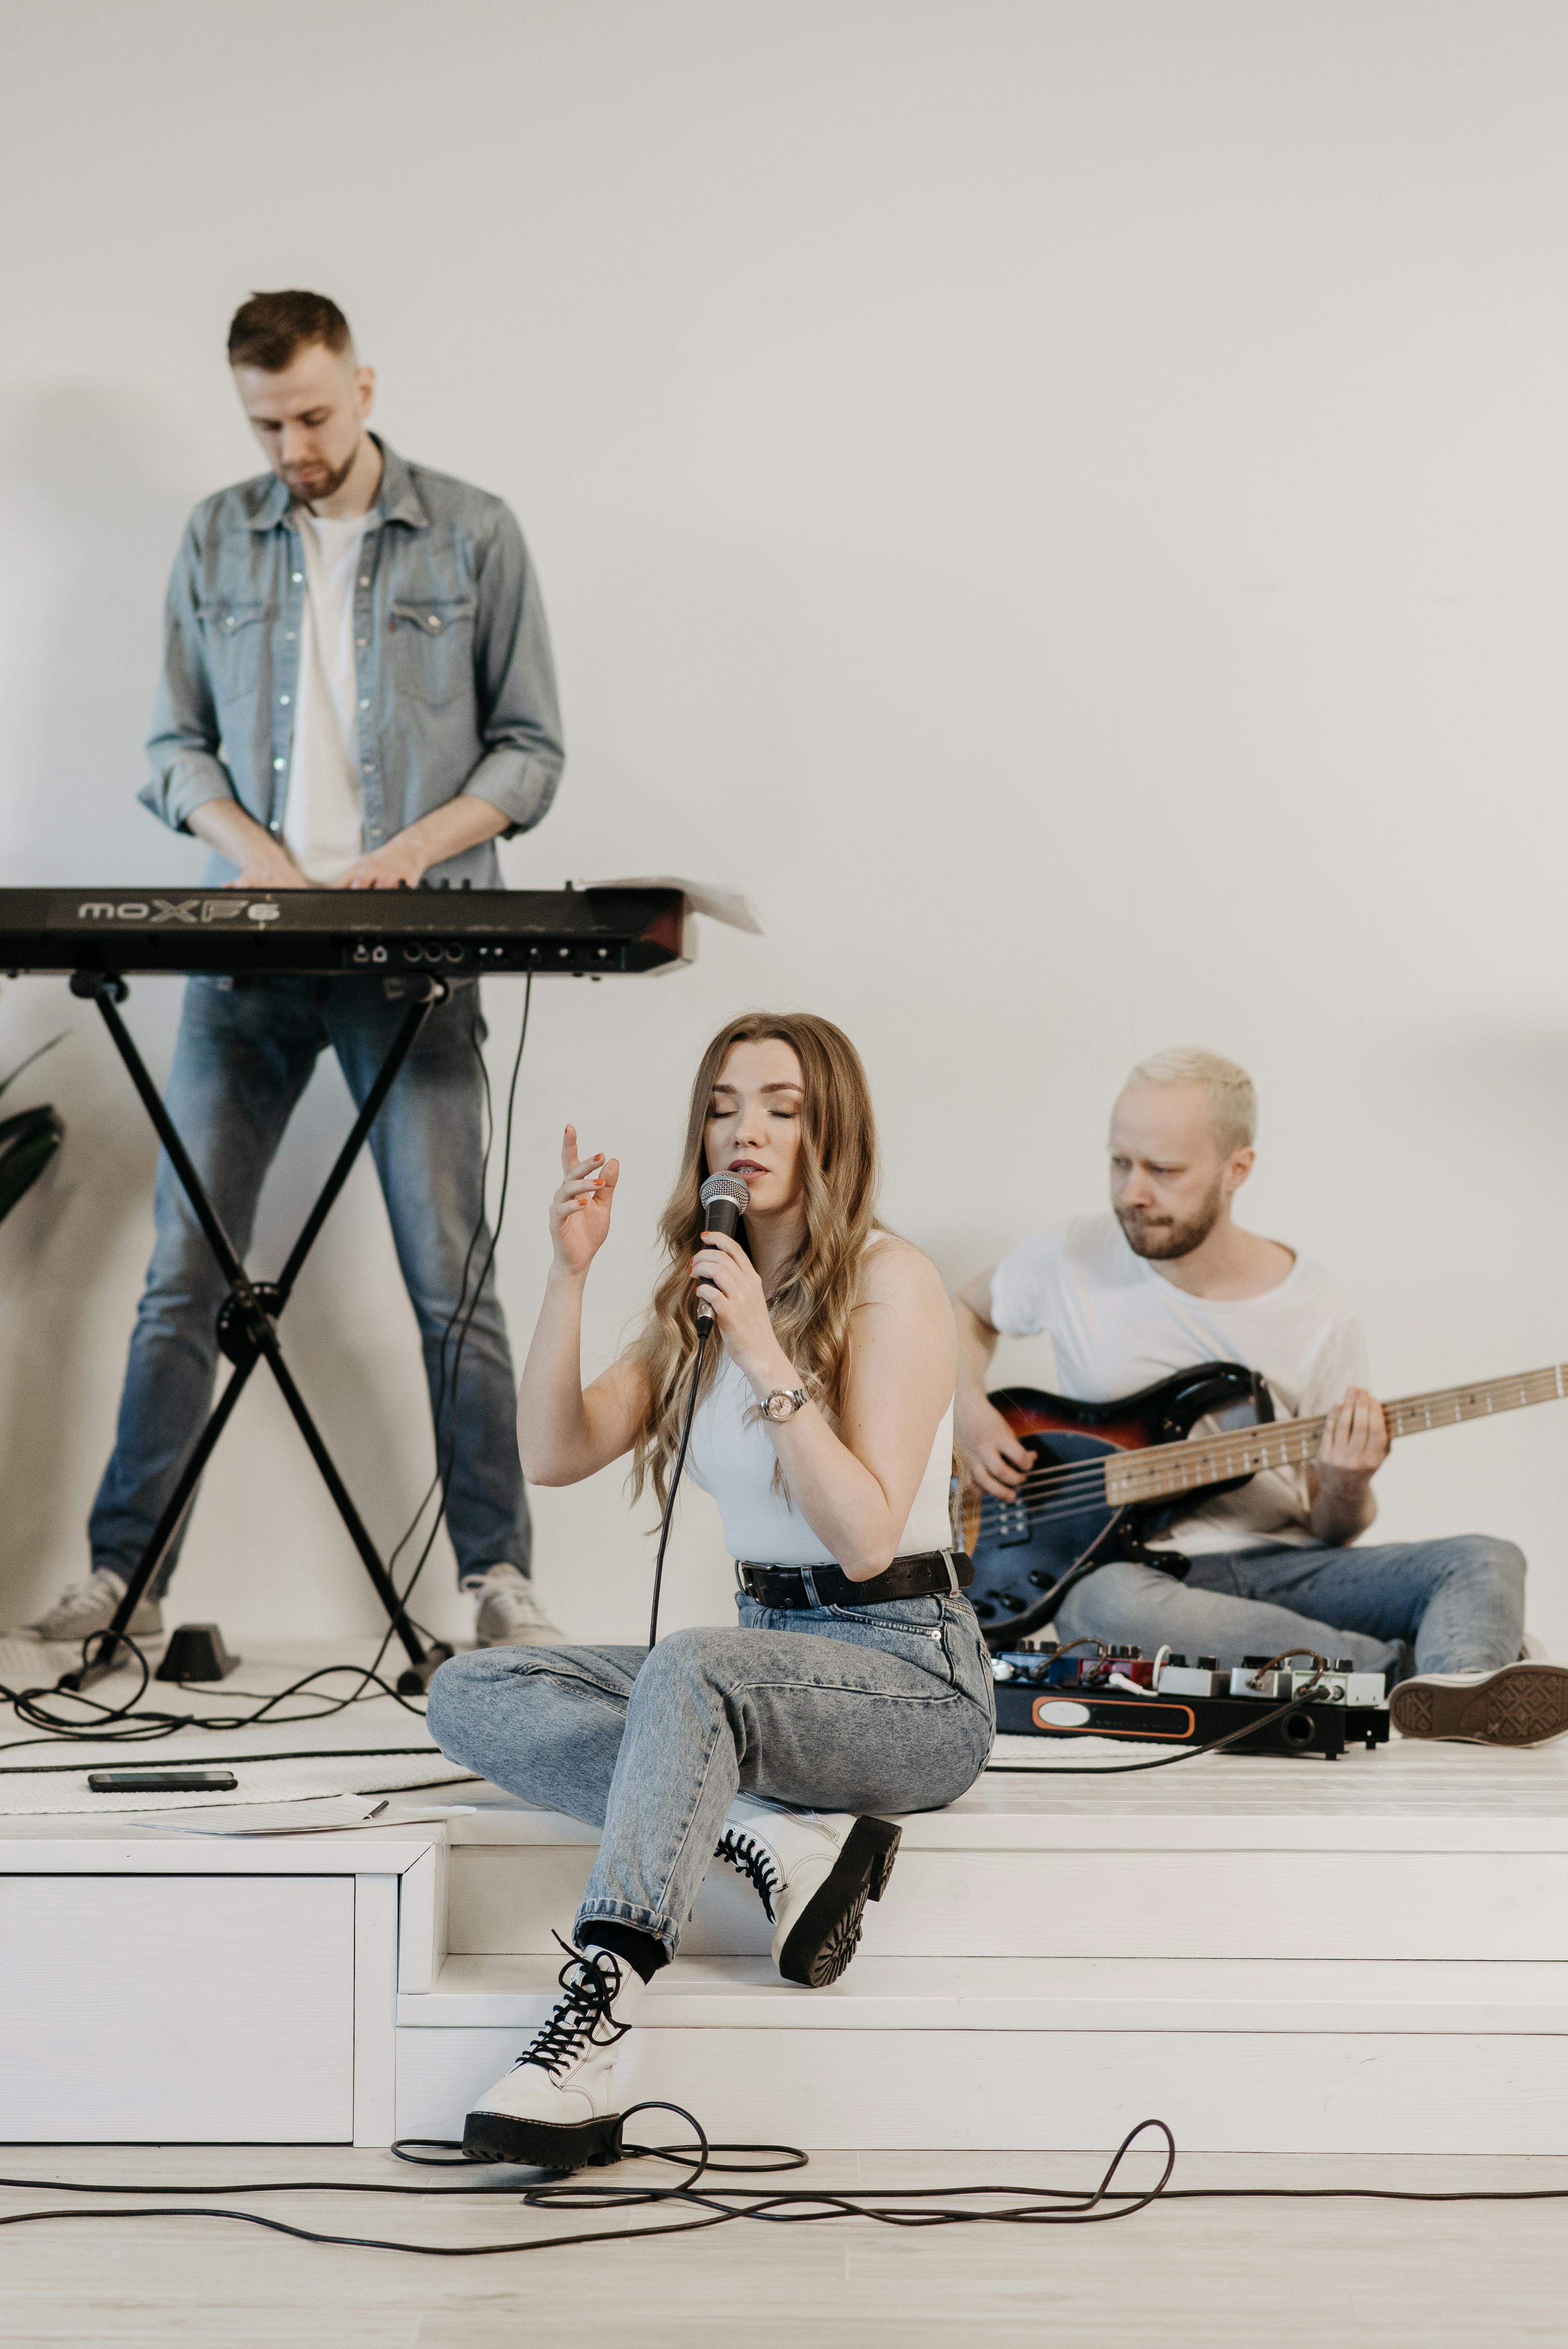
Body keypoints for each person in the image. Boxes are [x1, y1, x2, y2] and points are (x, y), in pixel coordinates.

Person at [16, 290, 566, 1651]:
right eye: (268, 423)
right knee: (181, 1269)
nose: (295, 446)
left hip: (410, 952)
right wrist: (253, 851)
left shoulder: (475, 530)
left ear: (364, 386)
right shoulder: (215, 535)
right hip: (246, 958)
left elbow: (530, 751)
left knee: (452, 1274)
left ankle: (499, 1577)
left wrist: (411, 854)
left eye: (315, 415)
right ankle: (125, 1584)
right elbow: (172, 749)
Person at [427, 1011, 993, 2170]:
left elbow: (866, 1537)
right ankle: (757, 1833)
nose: (746, 1130)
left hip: (911, 1678)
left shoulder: (893, 1282)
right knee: (474, 1689)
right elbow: (551, 1450)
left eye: (780, 1107)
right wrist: (568, 1273)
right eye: (725, 1106)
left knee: (691, 1664)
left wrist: (763, 1354)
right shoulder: (704, 1293)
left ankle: (591, 2021)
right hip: (762, 1667)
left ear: (829, 1128)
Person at [954, 1046, 1568, 1748]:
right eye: (1119, 1163)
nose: (1132, 1192)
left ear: (1237, 1169)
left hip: (1290, 1569)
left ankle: (1455, 1683)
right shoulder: (1070, 1257)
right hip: (1149, 1580)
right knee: (1099, 1606)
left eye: (1164, 1170)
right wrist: (970, 1412)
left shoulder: (1317, 1308)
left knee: (1487, 1558)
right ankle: (1427, 1681)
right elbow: (958, 1315)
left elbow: (1335, 1530)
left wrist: (1346, 1483)